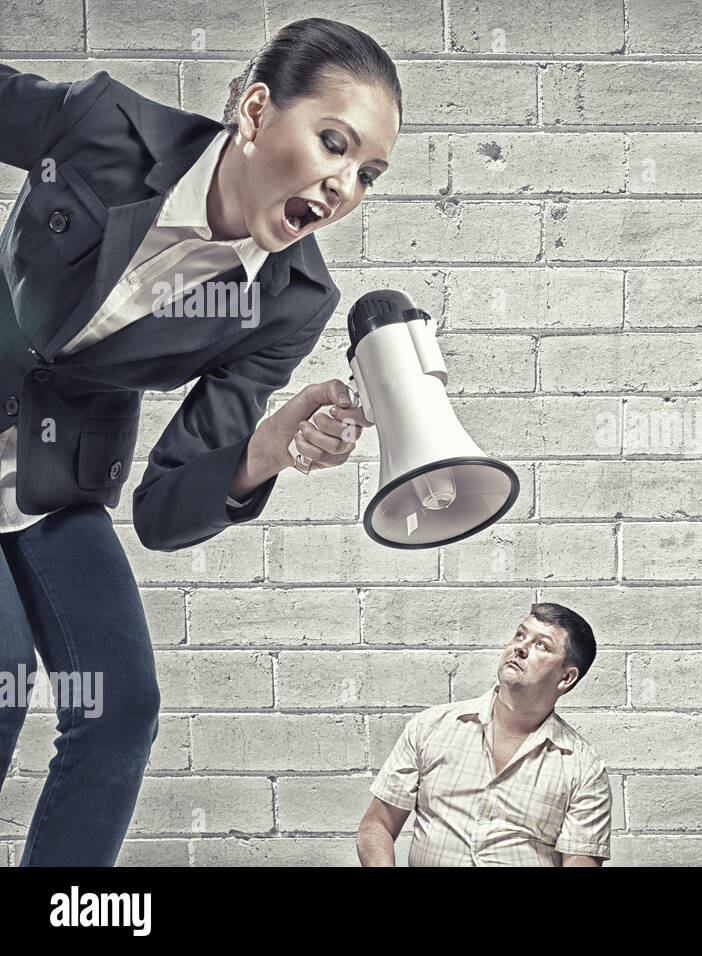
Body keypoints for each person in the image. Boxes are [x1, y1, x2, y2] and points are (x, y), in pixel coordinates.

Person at [0, 17, 400, 866]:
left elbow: (162, 511)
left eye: (367, 174)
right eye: (333, 144)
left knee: (122, 706)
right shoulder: (102, 126)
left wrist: (269, 449)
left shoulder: (292, 301)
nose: (343, 187)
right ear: (256, 112)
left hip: (46, 478)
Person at [357, 603, 613, 867]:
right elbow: (377, 824)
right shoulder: (430, 726)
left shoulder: (584, 769)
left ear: (566, 678)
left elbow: (580, 862)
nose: (520, 648)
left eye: (541, 645)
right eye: (520, 634)